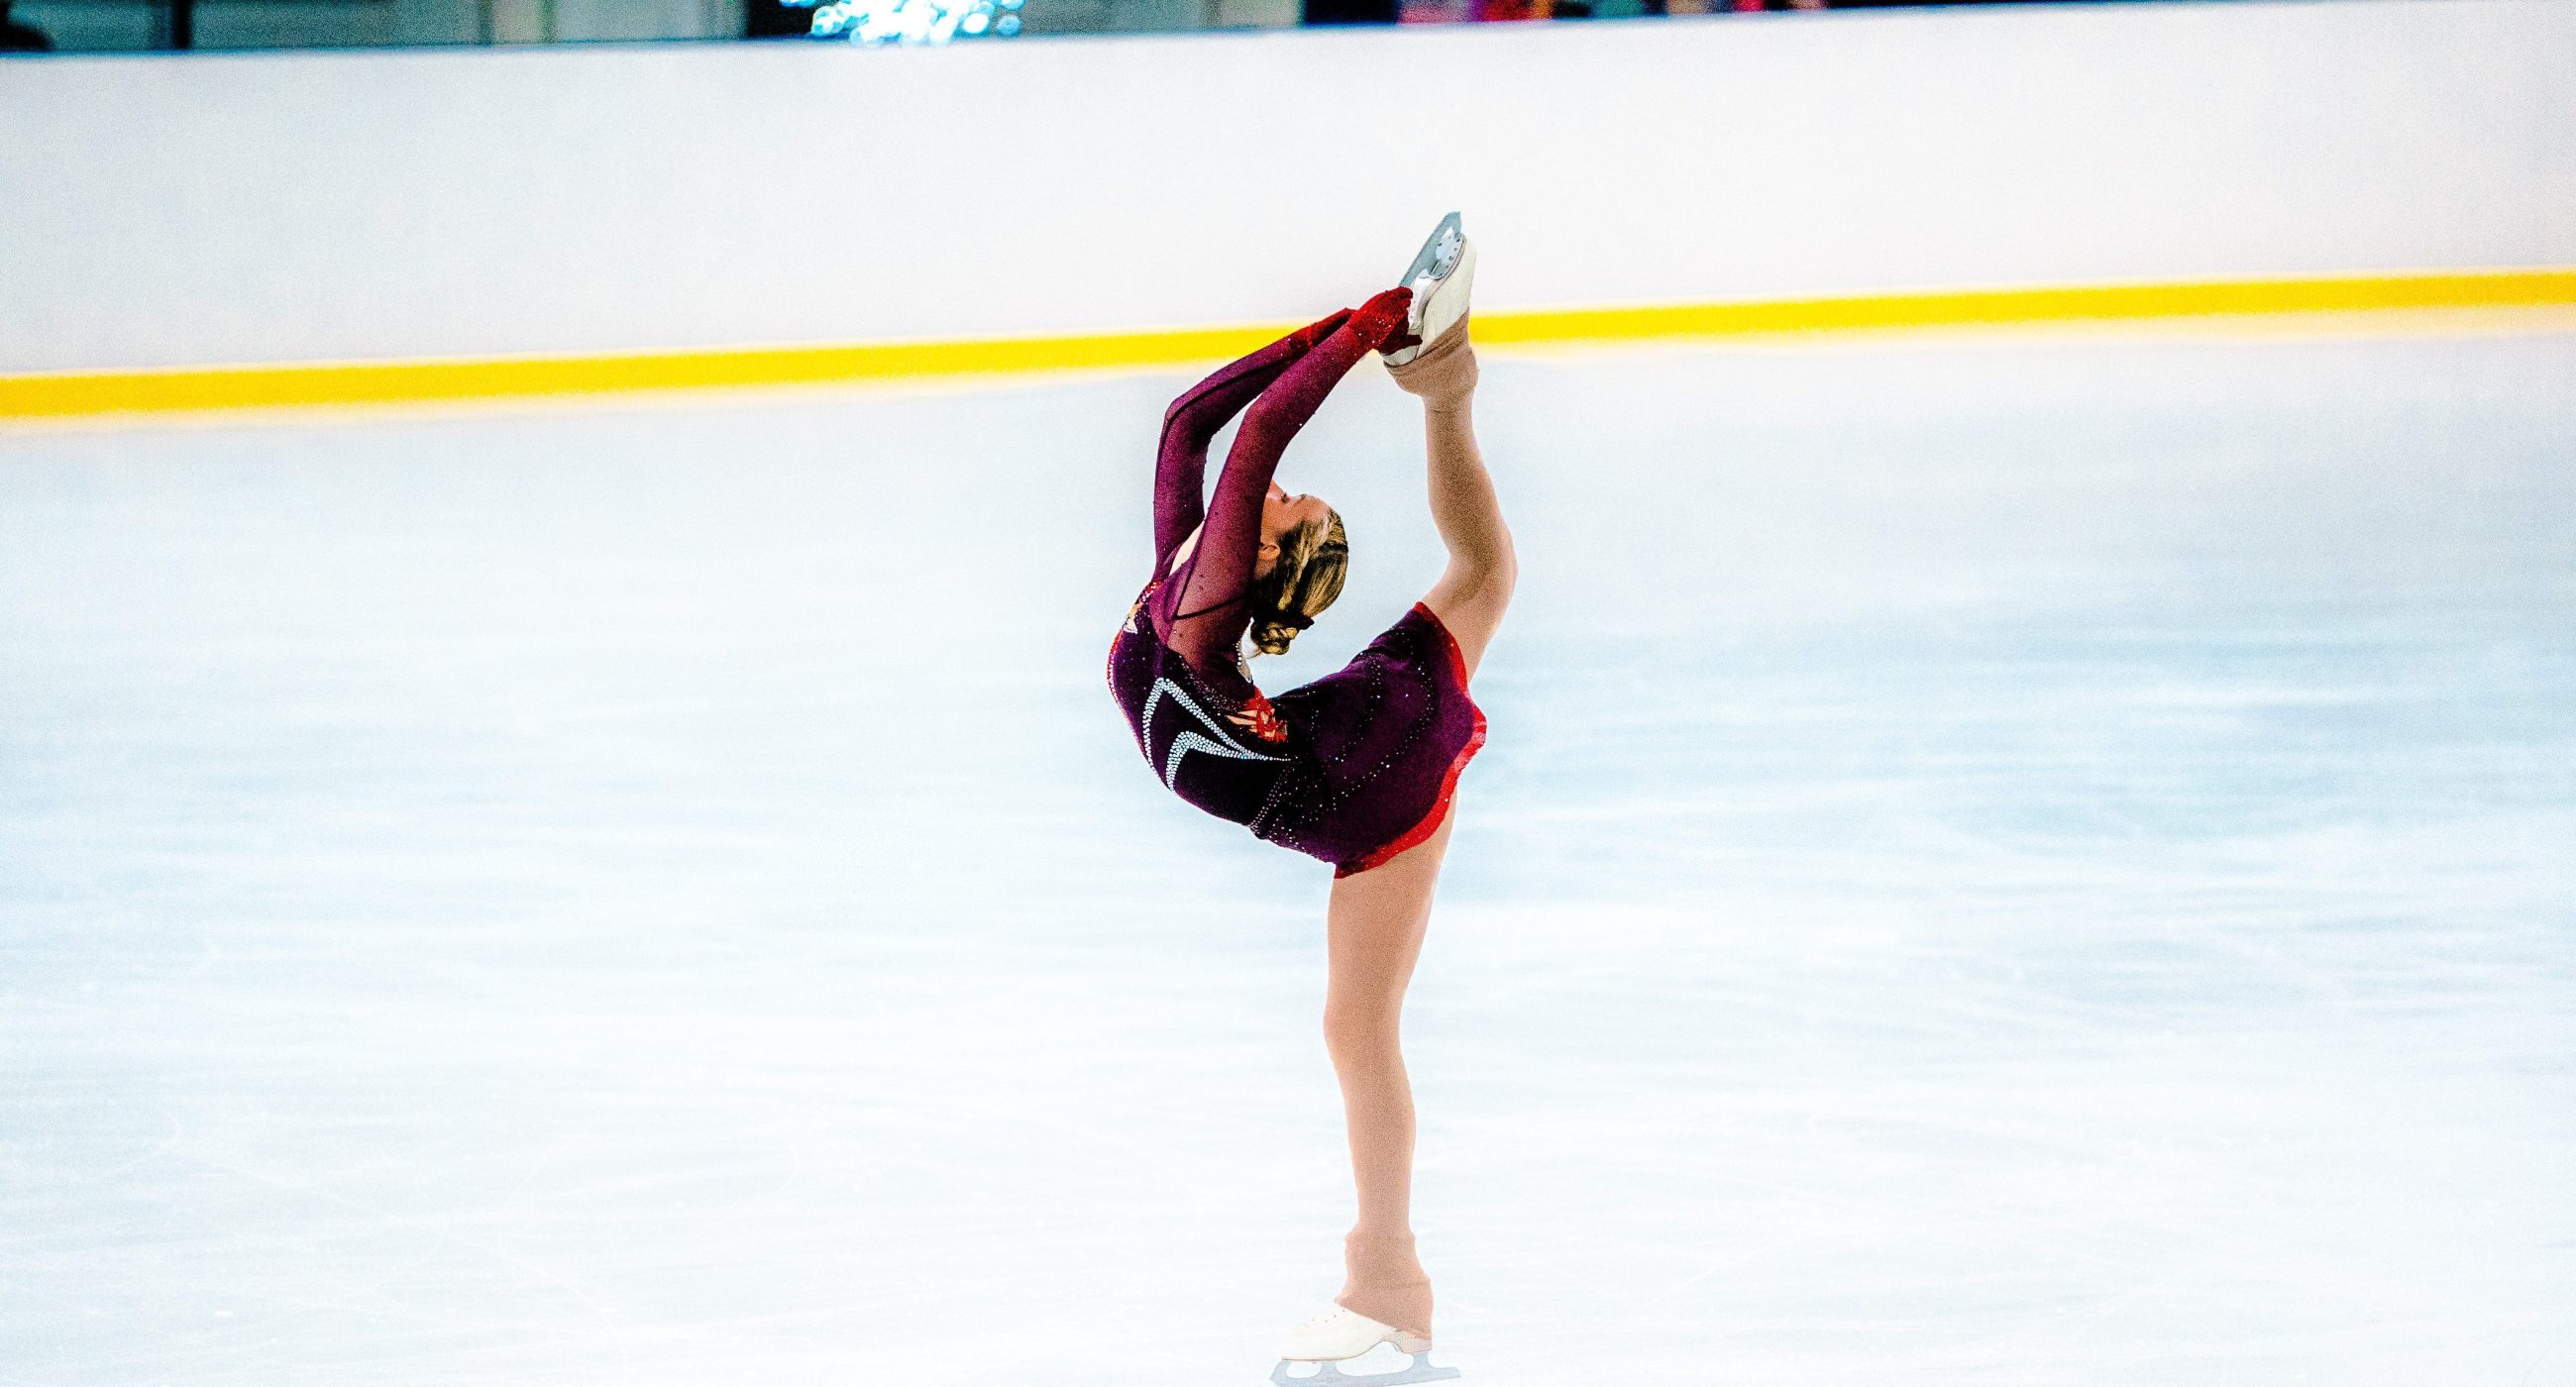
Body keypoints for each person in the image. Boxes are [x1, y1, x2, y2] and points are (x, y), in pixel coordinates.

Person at [1106, 216, 1512, 1385]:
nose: (1277, 494)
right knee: (1480, 579)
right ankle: (1450, 393)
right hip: (1329, 747)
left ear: (1263, 561)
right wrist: (1345, 325)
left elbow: (1255, 438)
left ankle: (1386, 1285)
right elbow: (1196, 421)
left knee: (1355, 1029)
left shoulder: (1197, 624)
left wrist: (1375, 320)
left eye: (1295, 511)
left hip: (1359, 780)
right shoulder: (1183, 570)